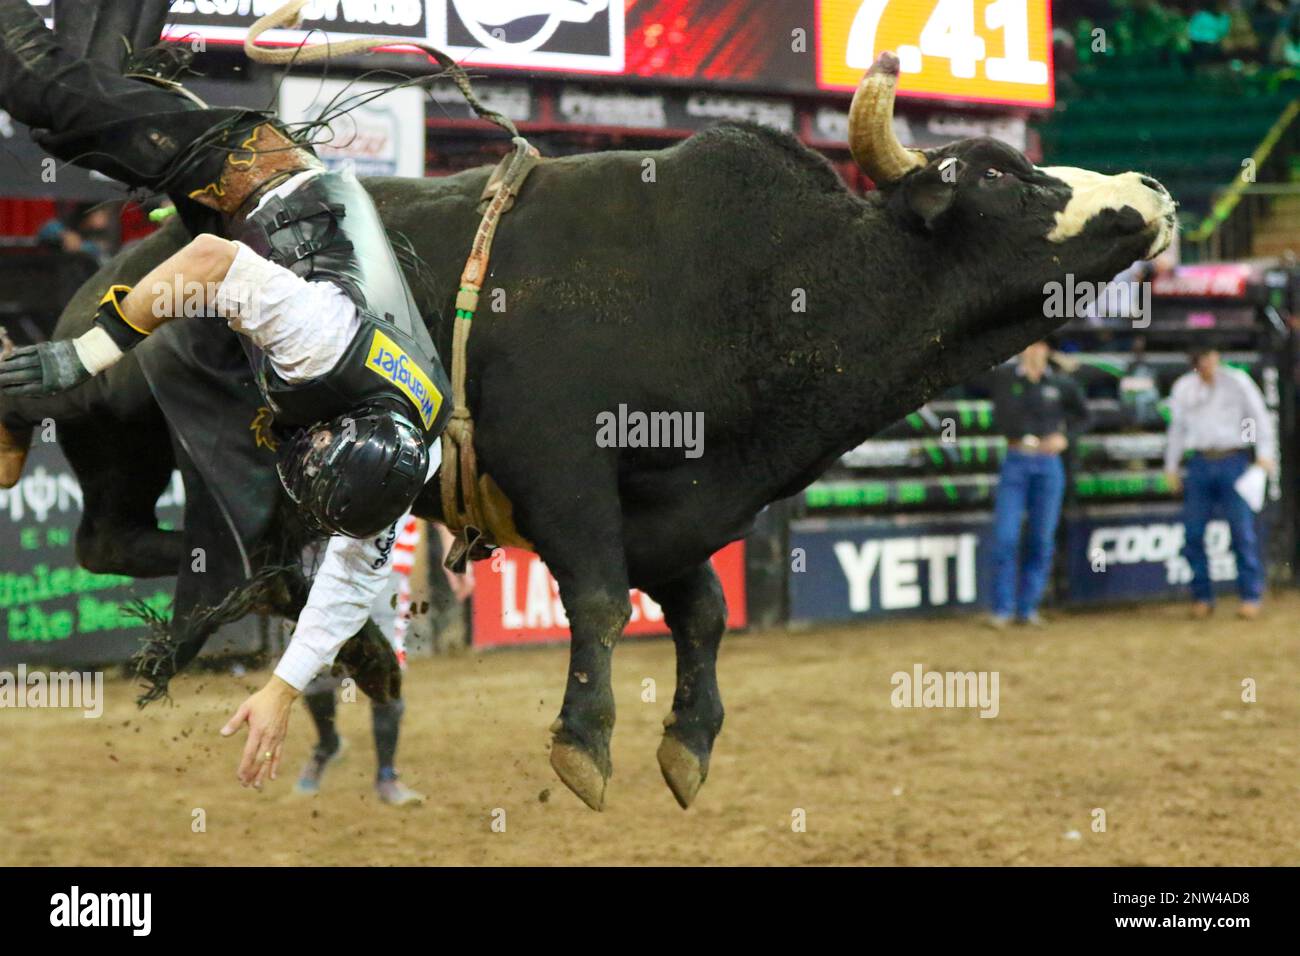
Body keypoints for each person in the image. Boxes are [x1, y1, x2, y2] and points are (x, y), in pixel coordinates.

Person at [0, 0, 453, 789]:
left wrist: (280, 690)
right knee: (42, 96)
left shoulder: (408, 454)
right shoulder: (321, 342)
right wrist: (83, 354)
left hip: (259, 205)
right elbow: (210, 263)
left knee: (86, 102)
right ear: (334, 430)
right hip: (241, 173)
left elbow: (350, 586)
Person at [985, 342, 1091, 629]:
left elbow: (1084, 416)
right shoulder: (1005, 378)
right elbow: (998, 413)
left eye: (1038, 345)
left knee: (1041, 539)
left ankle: (1027, 607)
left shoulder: (1061, 383)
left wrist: (1065, 437)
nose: (1032, 350)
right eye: (1029, 345)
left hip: (1048, 463)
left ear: (1046, 349)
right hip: (1016, 458)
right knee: (1005, 537)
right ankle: (1003, 608)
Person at [1163, 348, 1274, 619]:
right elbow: (1177, 428)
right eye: (1202, 359)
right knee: (1193, 533)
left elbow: (1258, 417)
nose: (1208, 364)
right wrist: (1171, 466)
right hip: (1200, 461)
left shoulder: (1237, 381)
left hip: (1233, 459)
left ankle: (1250, 595)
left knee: (1241, 531)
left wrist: (1265, 454)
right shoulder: (1185, 388)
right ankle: (1202, 596)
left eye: (1210, 357)